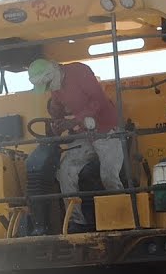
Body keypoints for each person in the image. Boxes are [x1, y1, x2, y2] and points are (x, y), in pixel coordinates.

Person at [27, 58, 125, 200]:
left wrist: (73, 122)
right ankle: (75, 220)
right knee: (65, 172)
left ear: (52, 74)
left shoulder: (79, 71)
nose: (48, 90)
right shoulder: (55, 86)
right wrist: (57, 121)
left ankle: (121, 214)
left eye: (47, 86)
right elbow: (58, 107)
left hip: (107, 130)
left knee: (109, 176)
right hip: (85, 134)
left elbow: (99, 101)